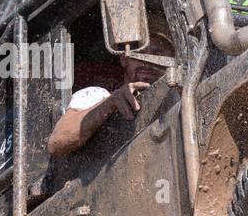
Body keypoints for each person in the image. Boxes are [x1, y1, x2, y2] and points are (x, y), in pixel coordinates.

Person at [47, 28, 174, 157]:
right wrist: (110, 104)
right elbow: (57, 142)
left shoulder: (177, 100)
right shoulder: (97, 95)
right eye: (139, 52)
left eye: (158, 55)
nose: (147, 61)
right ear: (124, 59)